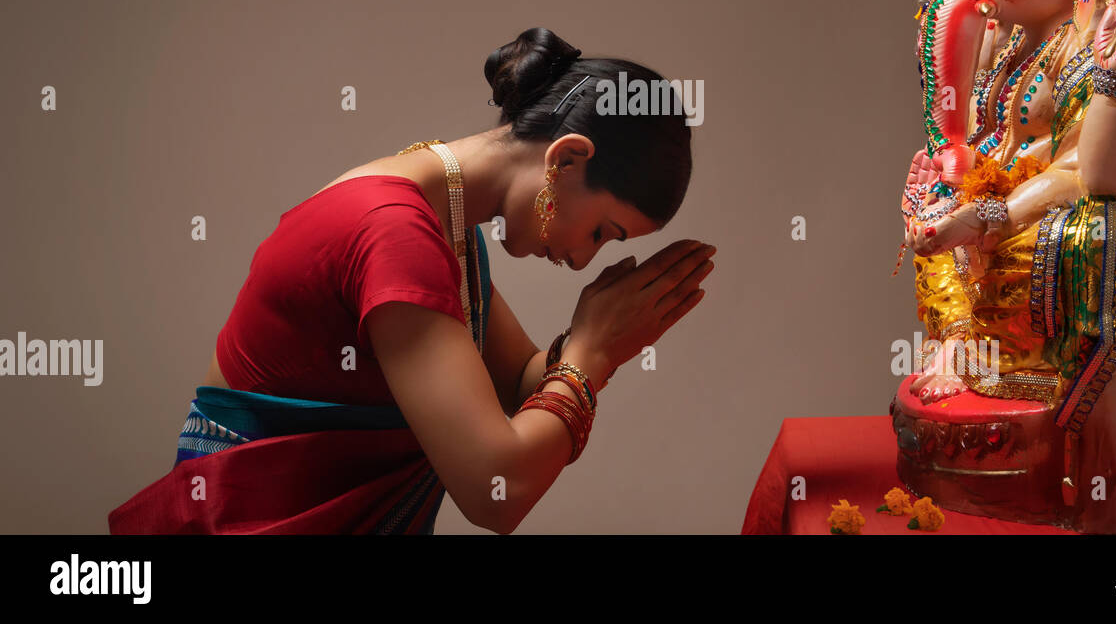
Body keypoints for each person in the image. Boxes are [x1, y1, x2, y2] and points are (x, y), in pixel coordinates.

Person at [108, 27, 715, 534]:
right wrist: (592, 355)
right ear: (567, 158)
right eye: (603, 231)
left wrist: (605, 331)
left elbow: (520, 387)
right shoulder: (394, 231)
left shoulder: (443, 225)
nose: (584, 260)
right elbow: (494, 491)